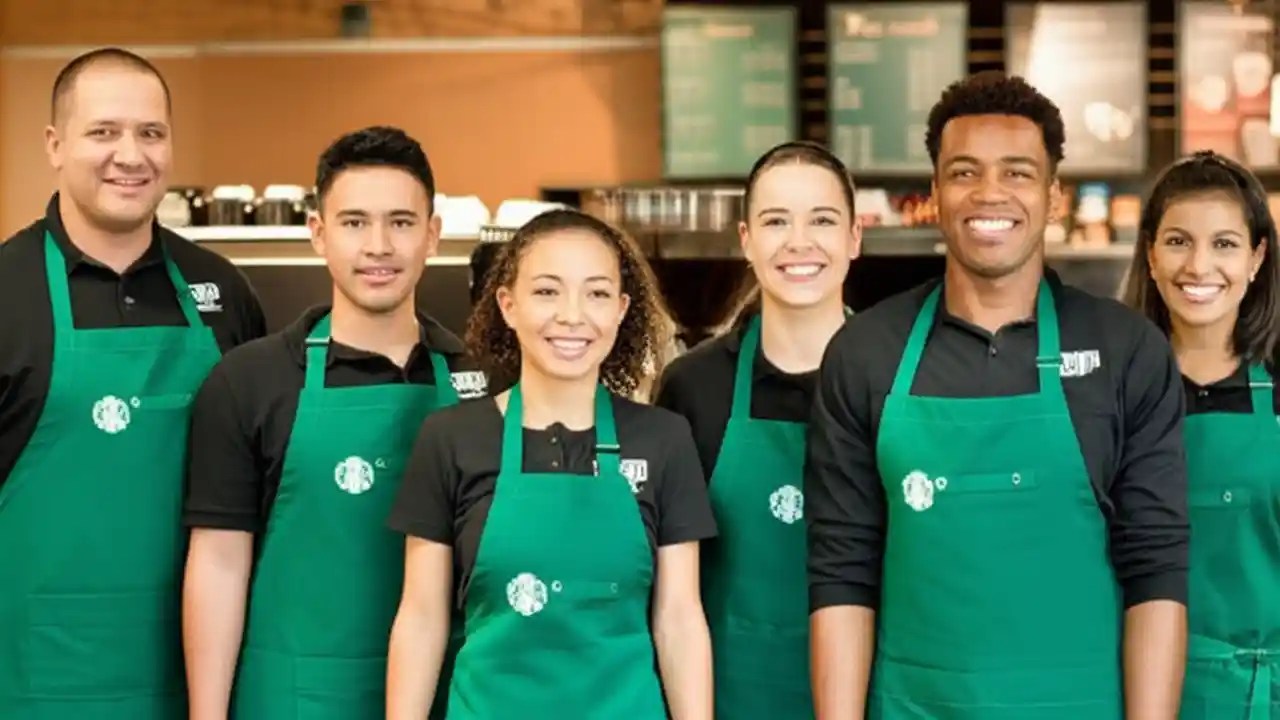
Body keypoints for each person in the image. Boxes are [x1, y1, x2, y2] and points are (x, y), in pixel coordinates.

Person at [805, 71, 1190, 719]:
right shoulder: (865, 353)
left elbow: (1156, 569)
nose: (990, 193)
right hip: (914, 706)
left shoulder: (1128, 350)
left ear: (1053, 196)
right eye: (963, 172)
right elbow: (843, 575)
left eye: (1017, 172)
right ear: (935, 192)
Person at [180, 126, 485, 720]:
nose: (378, 245)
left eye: (400, 222)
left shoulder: (485, 385)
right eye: (354, 222)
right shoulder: (251, 381)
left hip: (444, 694)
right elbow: (218, 563)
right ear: (318, 234)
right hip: (293, 698)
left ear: (432, 235)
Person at [0, 48, 265, 719]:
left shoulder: (224, 293)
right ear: (55, 146)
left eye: (151, 133)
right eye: (104, 132)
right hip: (33, 680)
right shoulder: (7, 290)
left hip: (195, 681)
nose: (131, 154)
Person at [385, 209, 717, 719]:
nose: (572, 315)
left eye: (597, 293)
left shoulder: (664, 439)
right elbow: (422, 617)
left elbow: (678, 619)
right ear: (508, 305)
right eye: (547, 291)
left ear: (622, 309)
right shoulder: (451, 438)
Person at [653, 140, 860, 719]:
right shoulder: (693, 387)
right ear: (746, 241)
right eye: (776, 221)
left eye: (822, 220)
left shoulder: (897, 382)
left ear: (854, 238)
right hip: (728, 695)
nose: (799, 242)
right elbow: (667, 587)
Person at [1123, 150, 1280, 719]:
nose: (1199, 266)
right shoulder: (1109, 393)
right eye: (1178, 241)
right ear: (1150, 253)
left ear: (1257, 257)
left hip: (1260, 697)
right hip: (1131, 690)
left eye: (1225, 244)